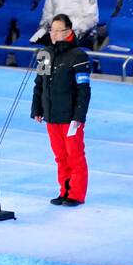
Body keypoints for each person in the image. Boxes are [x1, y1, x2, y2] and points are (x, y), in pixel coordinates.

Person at [32, 13, 91, 208]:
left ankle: (76, 193)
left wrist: (79, 116)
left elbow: (84, 90)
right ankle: (64, 190)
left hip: (70, 117)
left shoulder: (78, 56)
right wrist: (37, 109)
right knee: (60, 157)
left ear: (69, 32)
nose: (55, 34)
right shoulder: (45, 54)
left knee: (74, 155)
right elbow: (39, 84)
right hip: (51, 116)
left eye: (59, 30)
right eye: (53, 30)